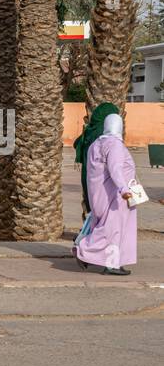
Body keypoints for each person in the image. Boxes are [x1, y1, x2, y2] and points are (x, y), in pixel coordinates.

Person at [75, 112, 138, 276]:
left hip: (99, 195)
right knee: (111, 229)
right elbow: (115, 169)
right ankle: (83, 250)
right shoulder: (114, 144)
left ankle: (113, 262)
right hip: (115, 195)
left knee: (111, 229)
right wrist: (124, 190)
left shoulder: (96, 144)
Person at [73, 102, 120, 217]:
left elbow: (76, 144)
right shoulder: (103, 132)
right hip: (101, 177)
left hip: (87, 174)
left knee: (91, 203)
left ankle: (88, 231)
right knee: (102, 207)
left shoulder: (90, 129)